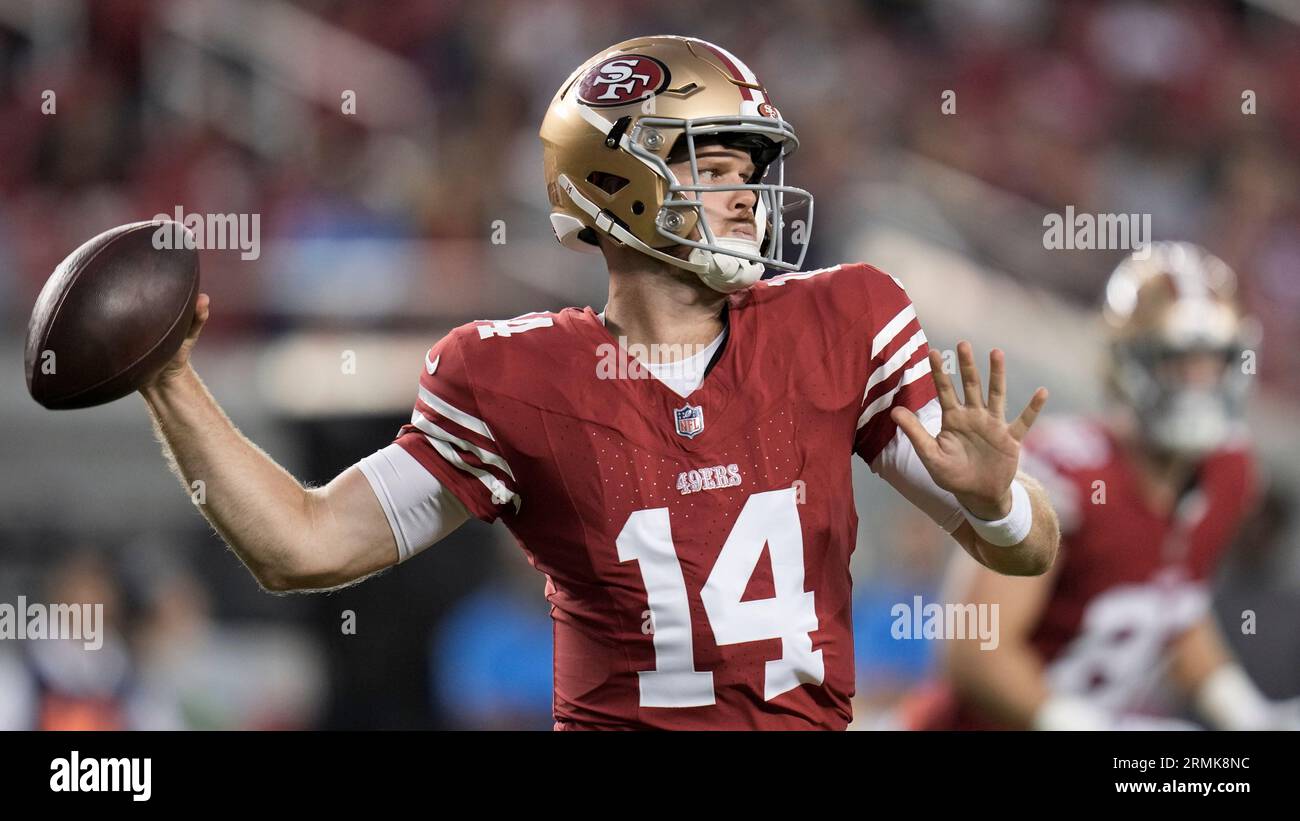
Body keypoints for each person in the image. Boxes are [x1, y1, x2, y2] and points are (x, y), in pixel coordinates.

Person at [138, 35, 1059, 730]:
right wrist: (169, 380)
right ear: (615, 180)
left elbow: (1028, 553)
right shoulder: (510, 376)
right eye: (712, 165)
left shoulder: (844, 319)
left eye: (751, 170)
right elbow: (305, 545)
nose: (745, 194)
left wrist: (998, 506)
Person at [903, 241, 1300, 731]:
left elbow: (1172, 606)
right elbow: (976, 649)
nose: (1200, 381)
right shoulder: (1066, 473)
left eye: (1213, 360)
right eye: (1179, 361)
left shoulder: (1230, 470)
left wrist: (1244, 713)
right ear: (1130, 362)